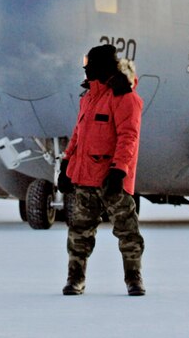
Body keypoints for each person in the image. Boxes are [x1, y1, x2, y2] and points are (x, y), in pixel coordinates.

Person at [57, 44, 145, 296]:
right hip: (85, 178)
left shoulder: (125, 98)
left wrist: (119, 171)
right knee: (79, 234)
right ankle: (75, 279)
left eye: (90, 64)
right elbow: (78, 135)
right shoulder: (88, 98)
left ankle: (134, 279)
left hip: (111, 180)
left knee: (128, 232)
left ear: (103, 66)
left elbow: (129, 137)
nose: (86, 69)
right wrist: (66, 165)